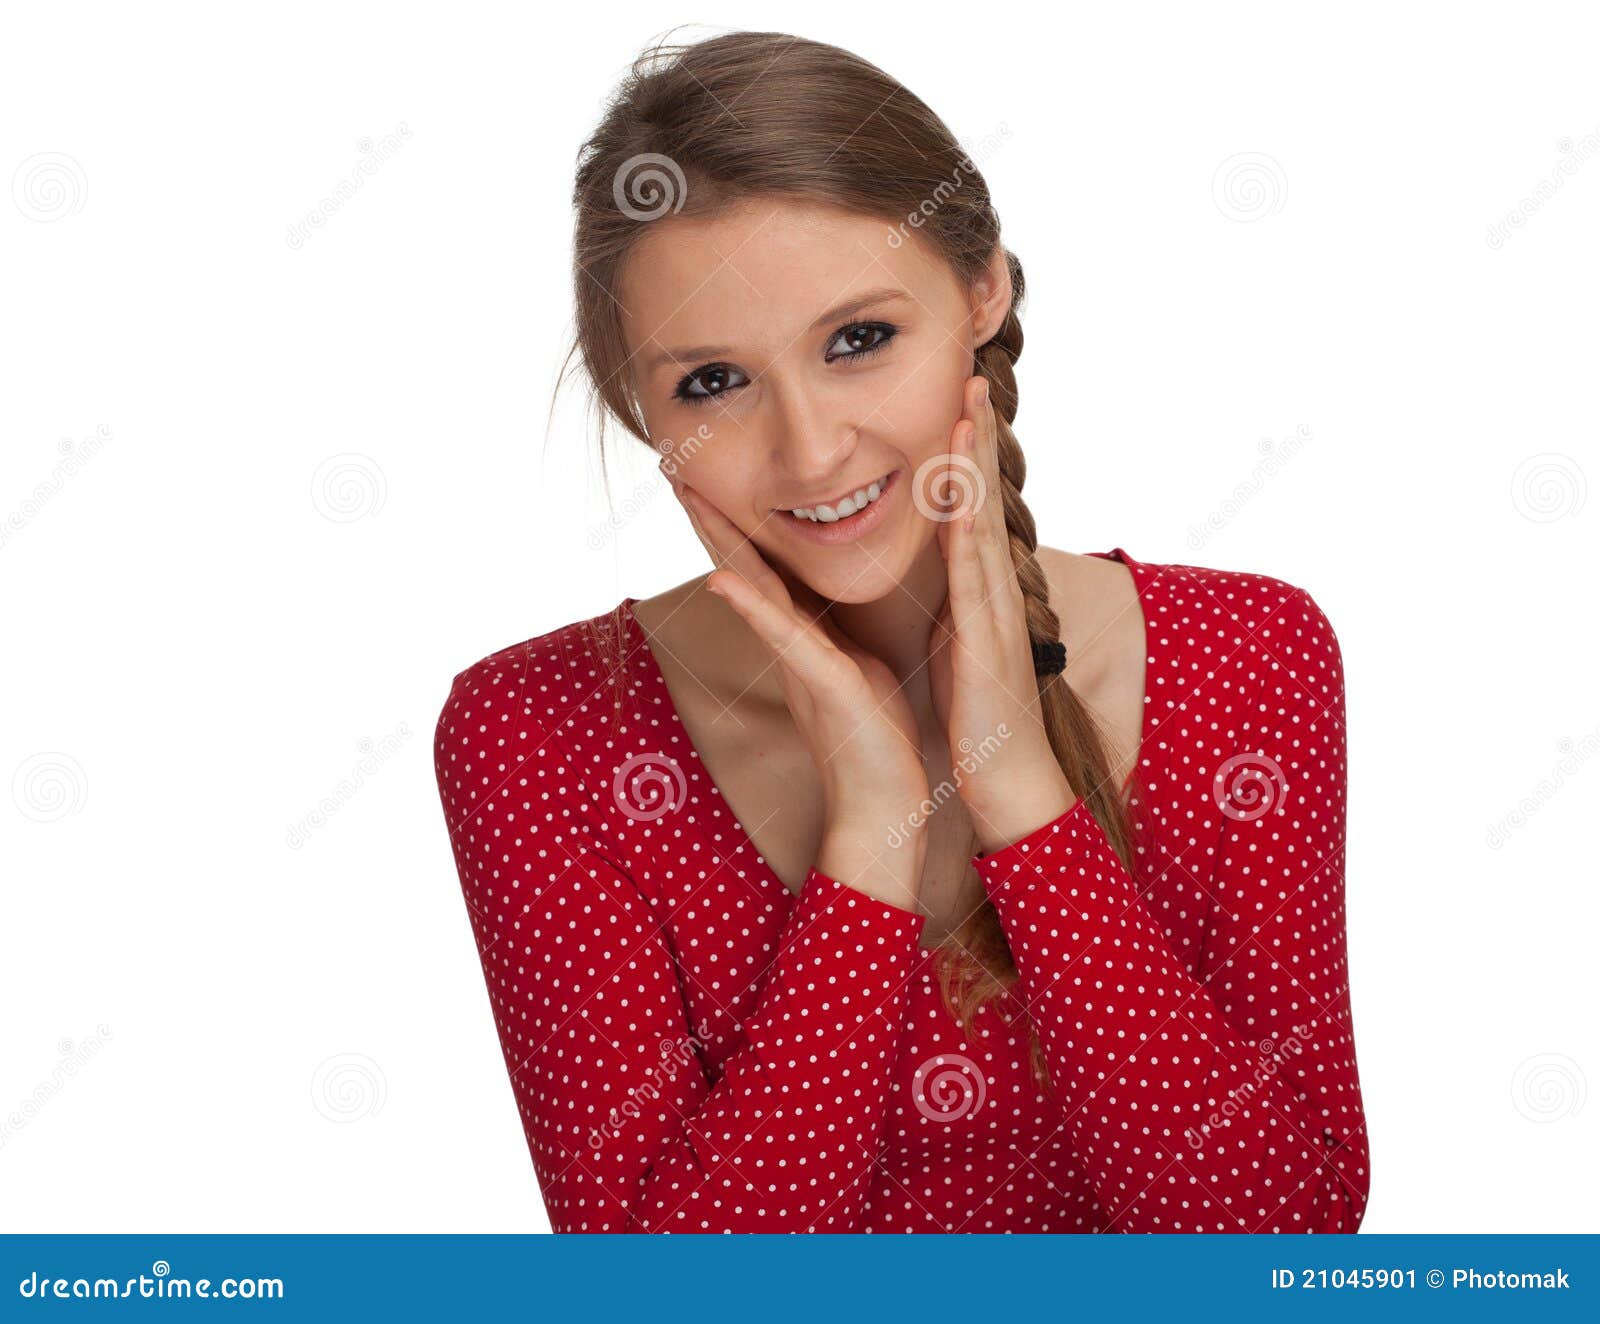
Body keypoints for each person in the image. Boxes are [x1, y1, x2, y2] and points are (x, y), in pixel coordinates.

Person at [432, 29, 1369, 1233]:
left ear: (983, 292)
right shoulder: (537, 734)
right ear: (637, 405)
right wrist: (870, 827)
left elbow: (1274, 1249)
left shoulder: (1248, 656)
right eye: (711, 382)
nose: (813, 449)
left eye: (857, 340)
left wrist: (1019, 788)